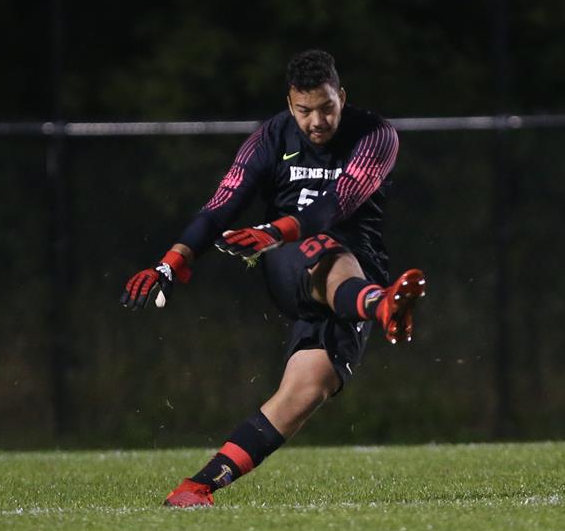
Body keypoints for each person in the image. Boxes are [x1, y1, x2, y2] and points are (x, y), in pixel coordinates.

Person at [120, 49, 426, 507]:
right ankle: (382, 306)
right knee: (323, 249)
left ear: (342, 96)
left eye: (327, 107)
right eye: (305, 110)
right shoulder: (269, 138)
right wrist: (169, 263)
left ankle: (197, 486)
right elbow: (221, 205)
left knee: (306, 390)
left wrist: (270, 229)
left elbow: (336, 203)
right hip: (289, 263)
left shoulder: (376, 135)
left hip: (356, 274)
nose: (317, 120)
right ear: (289, 104)